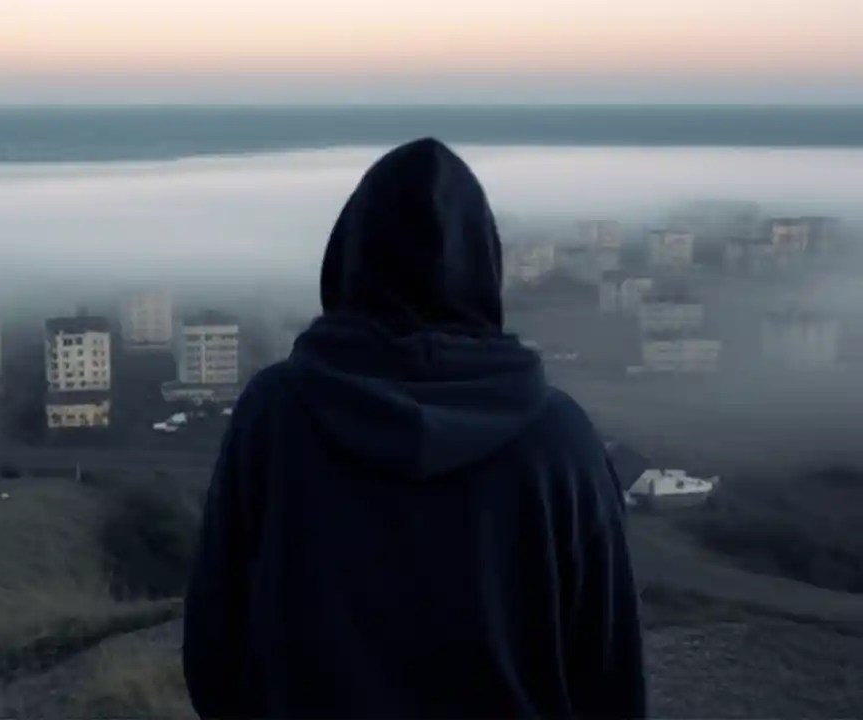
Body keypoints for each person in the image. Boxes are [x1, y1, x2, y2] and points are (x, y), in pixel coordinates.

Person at [183, 138, 645, 718]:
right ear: (484, 267)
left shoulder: (274, 417)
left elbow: (214, 644)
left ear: (348, 258)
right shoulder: (560, 442)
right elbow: (609, 675)